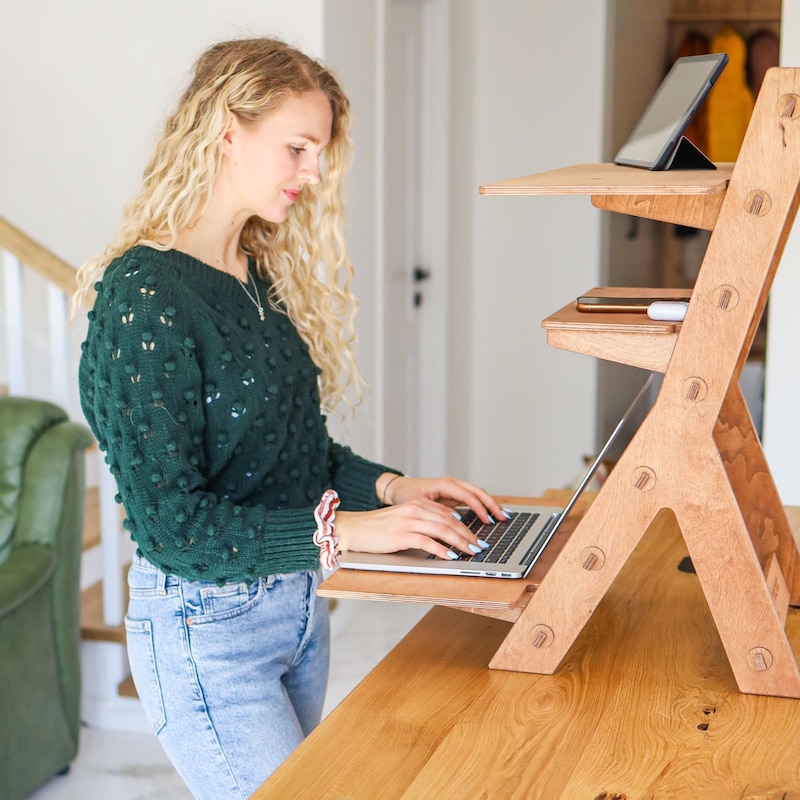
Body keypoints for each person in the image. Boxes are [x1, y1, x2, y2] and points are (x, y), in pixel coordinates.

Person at [75, 36, 506, 800]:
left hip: (297, 613)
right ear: (226, 131)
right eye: (298, 148)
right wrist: (345, 533)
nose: (313, 174)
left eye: (320, 153)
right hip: (207, 632)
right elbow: (174, 527)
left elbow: (302, 457)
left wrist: (395, 488)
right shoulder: (144, 297)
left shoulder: (253, 275)